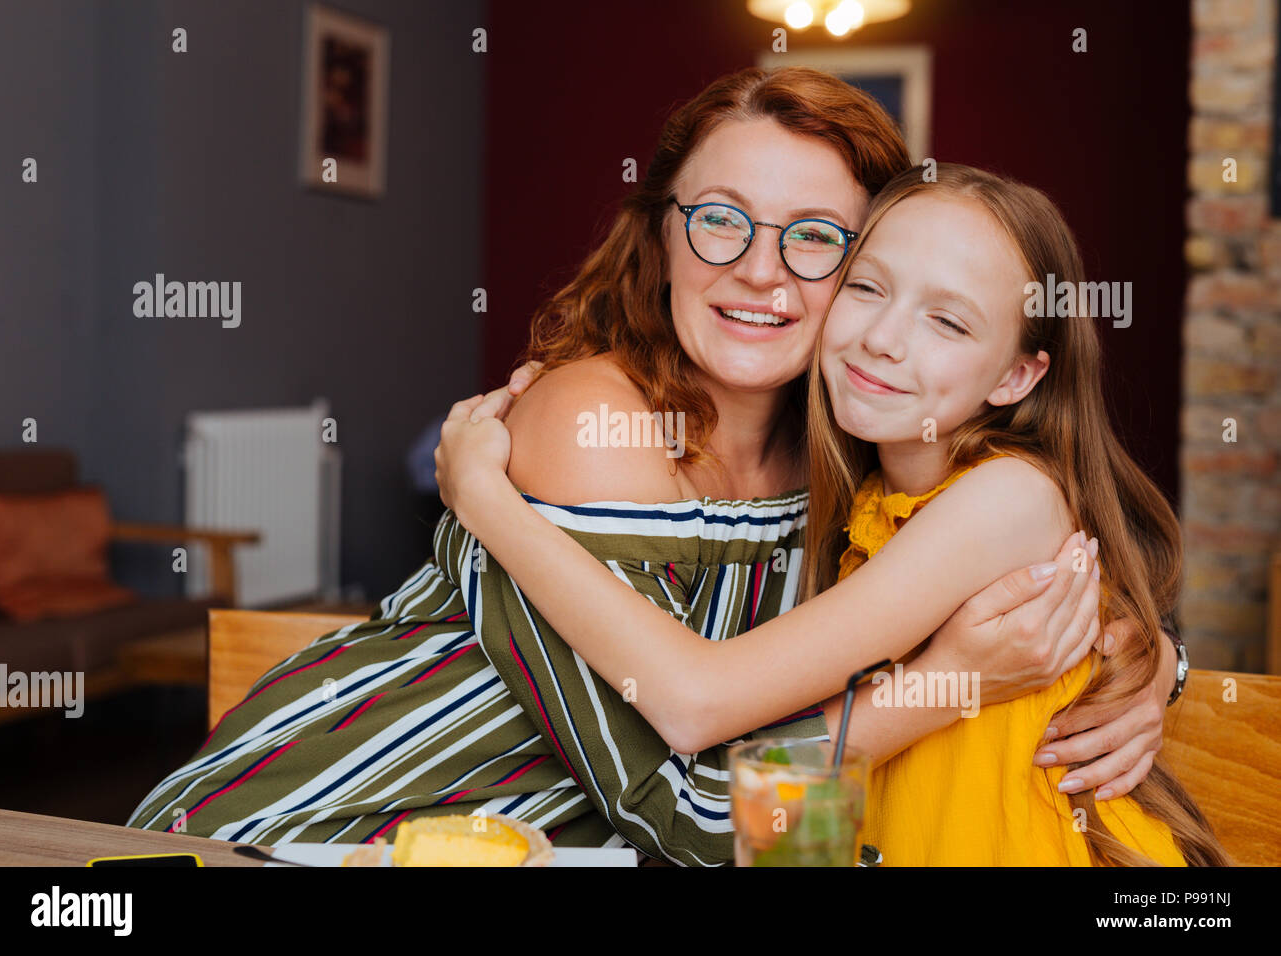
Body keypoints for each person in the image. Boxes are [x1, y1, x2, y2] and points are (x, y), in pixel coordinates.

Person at [127, 68, 1176, 864]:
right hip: (316, 830)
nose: (758, 271)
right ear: (662, 236)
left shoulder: (853, 467)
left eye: (817, 240)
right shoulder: (591, 423)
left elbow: (800, 772)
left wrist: (1136, 661)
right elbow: (690, 807)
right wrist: (955, 680)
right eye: (719, 220)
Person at [435, 162, 1228, 865]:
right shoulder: (863, 503)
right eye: (868, 288)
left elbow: (694, 701)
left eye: (948, 322)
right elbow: (778, 787)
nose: (883, 338)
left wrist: (486, 504)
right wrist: (1151, 658)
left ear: (1017, 376)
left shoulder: (1007, 497)